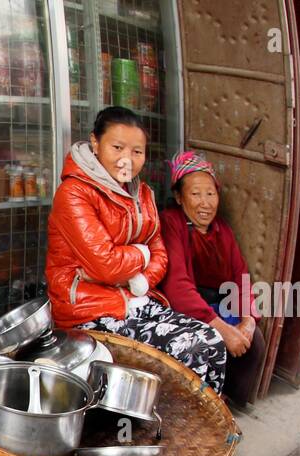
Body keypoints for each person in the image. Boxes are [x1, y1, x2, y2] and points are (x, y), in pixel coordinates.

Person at [46, 107, 227, 394]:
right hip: (87, 309)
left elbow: (160, 254)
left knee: (211, 339)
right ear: (95, 143)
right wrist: (141, 255)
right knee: (192, 346)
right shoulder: (74, 194)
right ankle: (171, 422)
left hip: (136, 298)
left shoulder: (141, 194)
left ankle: (201, 425)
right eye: (117, 147)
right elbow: (106, 264)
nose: (126, 160)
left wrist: (139, 279)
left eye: (137, 152)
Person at [159, 150, 265, 405]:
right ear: (179, 197)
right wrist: (222, 328)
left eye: (211, 193)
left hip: (219, 305)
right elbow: (177, 287)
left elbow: (241, 277)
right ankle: (204, 404)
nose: (205, 203)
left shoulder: (222, 231)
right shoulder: (171, 222)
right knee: (210, 342)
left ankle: (227, 404)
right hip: (187, 309)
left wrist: (248, 321)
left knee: (255, 343)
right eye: (195, 194)